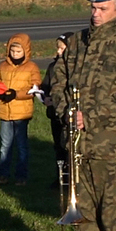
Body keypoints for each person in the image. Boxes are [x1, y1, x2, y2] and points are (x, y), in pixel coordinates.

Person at [51, 0, 116, 231]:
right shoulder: (78, 42)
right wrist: (67, 110)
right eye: (92, 9)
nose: (95, 14)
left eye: (102, 9)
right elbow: (58, 78)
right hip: (78, 144)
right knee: (83, 209)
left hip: (113, 143)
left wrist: (91, 116)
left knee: (113, 211)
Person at [0, 33, 41, 186]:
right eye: (12, 51)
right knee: (5, 145)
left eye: (18, 52)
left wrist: (16, 94)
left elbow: (35, 88)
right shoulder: (3, 66)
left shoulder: (31, 67)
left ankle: (21, 176)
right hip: (5, 111)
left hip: (22, 112)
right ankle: (3, 174)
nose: (15, 55)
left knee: (21, 145)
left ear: (26, 51)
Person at [41, 32, 74, 171]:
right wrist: (46, 97)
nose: (58, 51)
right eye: (58, 48)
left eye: (62, 48)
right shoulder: (52, 67)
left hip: (67, 113)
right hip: (54, 113)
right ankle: (59, 175)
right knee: (58, 146)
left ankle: (70, 174)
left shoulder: (74, 68)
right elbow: (46, 85)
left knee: (68, 146)